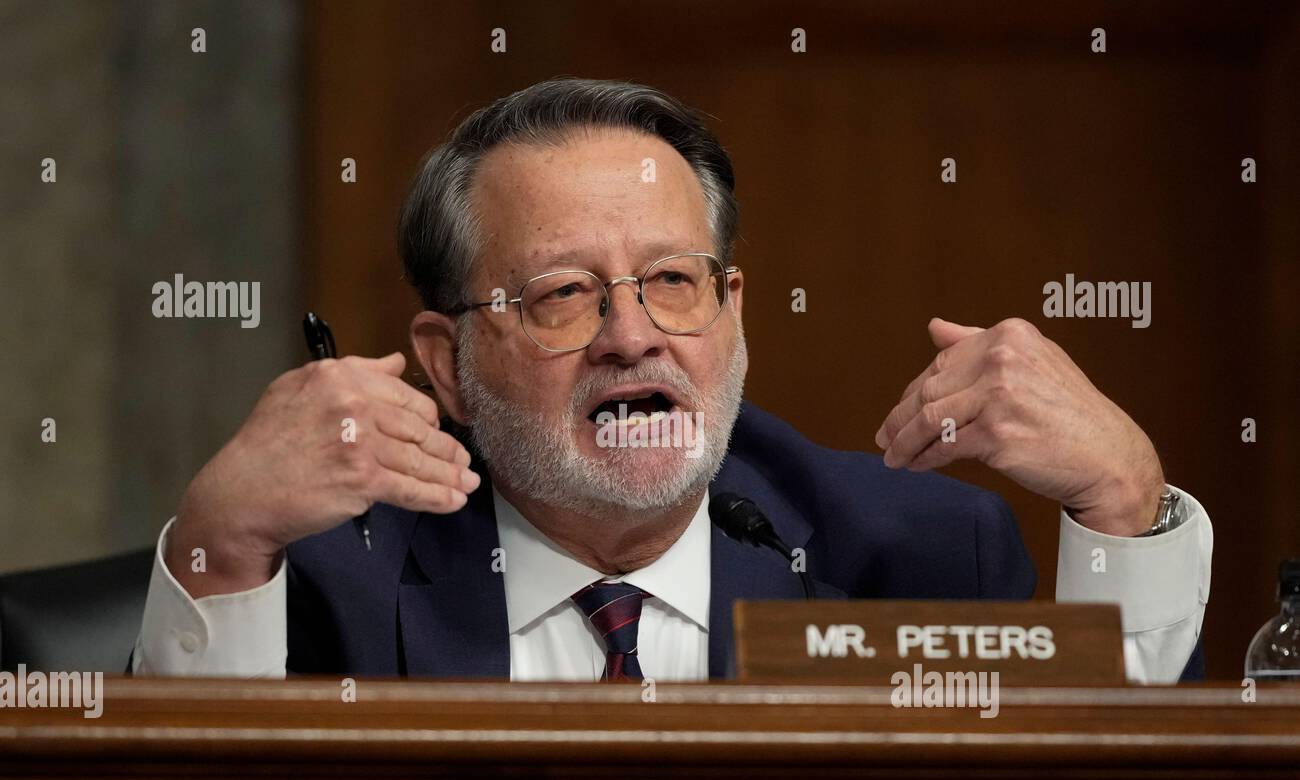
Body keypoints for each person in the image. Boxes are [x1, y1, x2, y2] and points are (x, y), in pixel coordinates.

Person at [132, 78, 1212, 683]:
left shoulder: (911, 556)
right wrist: (219, 547)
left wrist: (1128, 503)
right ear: (444, 363)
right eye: (561, 293)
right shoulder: (328, 576)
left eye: (671, 281)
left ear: (734, 311)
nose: (631, 336)